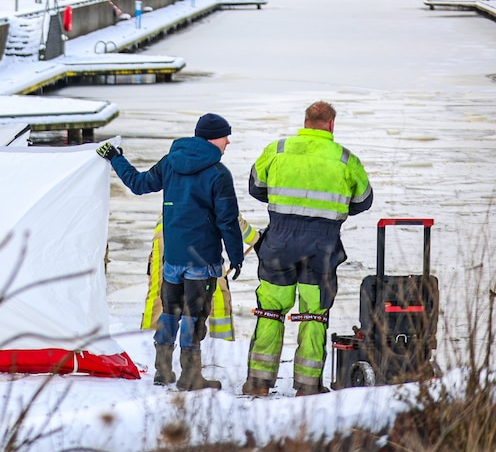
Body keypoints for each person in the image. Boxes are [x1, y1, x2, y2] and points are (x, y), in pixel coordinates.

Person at [99, 113, 245, 390]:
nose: (228, 142)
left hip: (173, 258)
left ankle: (163, 371)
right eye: (225, 136)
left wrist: (116, 158)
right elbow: (227, 221)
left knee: (169, 312)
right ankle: (190, 376)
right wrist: (236, 256)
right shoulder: (218, 173)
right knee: (193, 316)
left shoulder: (170, 162)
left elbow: (139, 184)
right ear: (213, 138)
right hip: (202, 259)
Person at [241, 101, 373, 397]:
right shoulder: (345, 159)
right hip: (321, 249)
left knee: (270, 311)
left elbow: (256, 187)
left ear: (305, 122)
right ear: (331, 125)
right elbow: (363, 200)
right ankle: (307, 386)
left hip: (279, 243)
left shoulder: (278, 149)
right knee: (314, 314)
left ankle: (258, 383)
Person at [142, 214, 258, 344]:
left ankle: (148, 341)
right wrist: (259, 239)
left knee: (159, 289)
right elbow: (230, 218)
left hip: (167, 231)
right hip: (198, 236)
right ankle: (220, 343)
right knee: (218, 291)